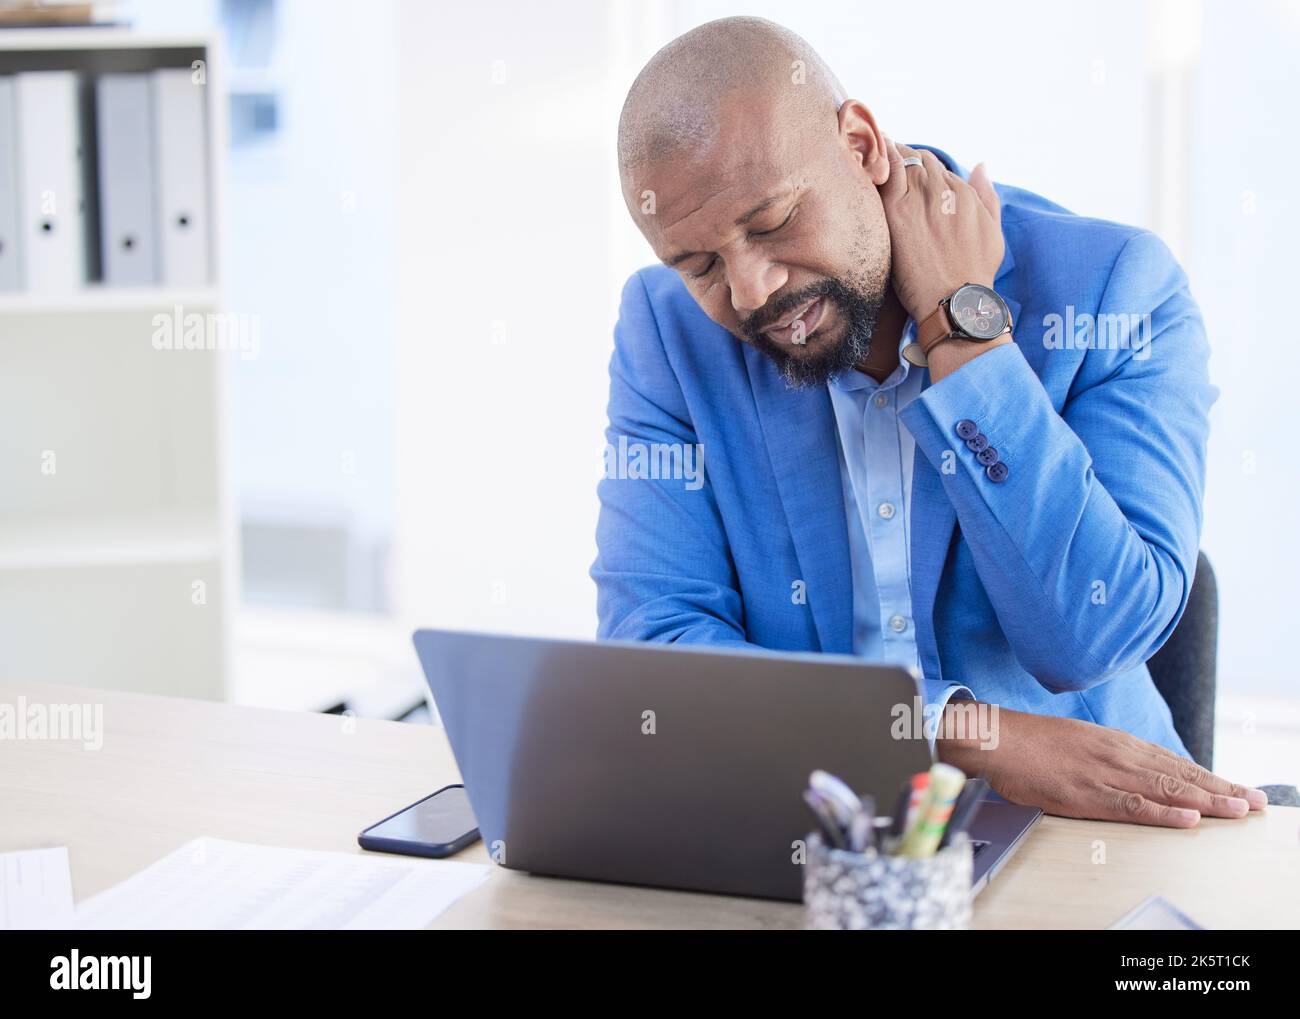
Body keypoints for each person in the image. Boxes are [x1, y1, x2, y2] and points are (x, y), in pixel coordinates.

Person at [593, 16, 1266, 826]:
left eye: (770, 224)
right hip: (813, 823)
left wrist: (964, 335)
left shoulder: (1115, 291)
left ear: (862, 146)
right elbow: (655, 655)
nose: (749, 290)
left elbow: (1094, 633)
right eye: (698, 264)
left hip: (1088, 830)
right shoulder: (667, 332)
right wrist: (968, 735)